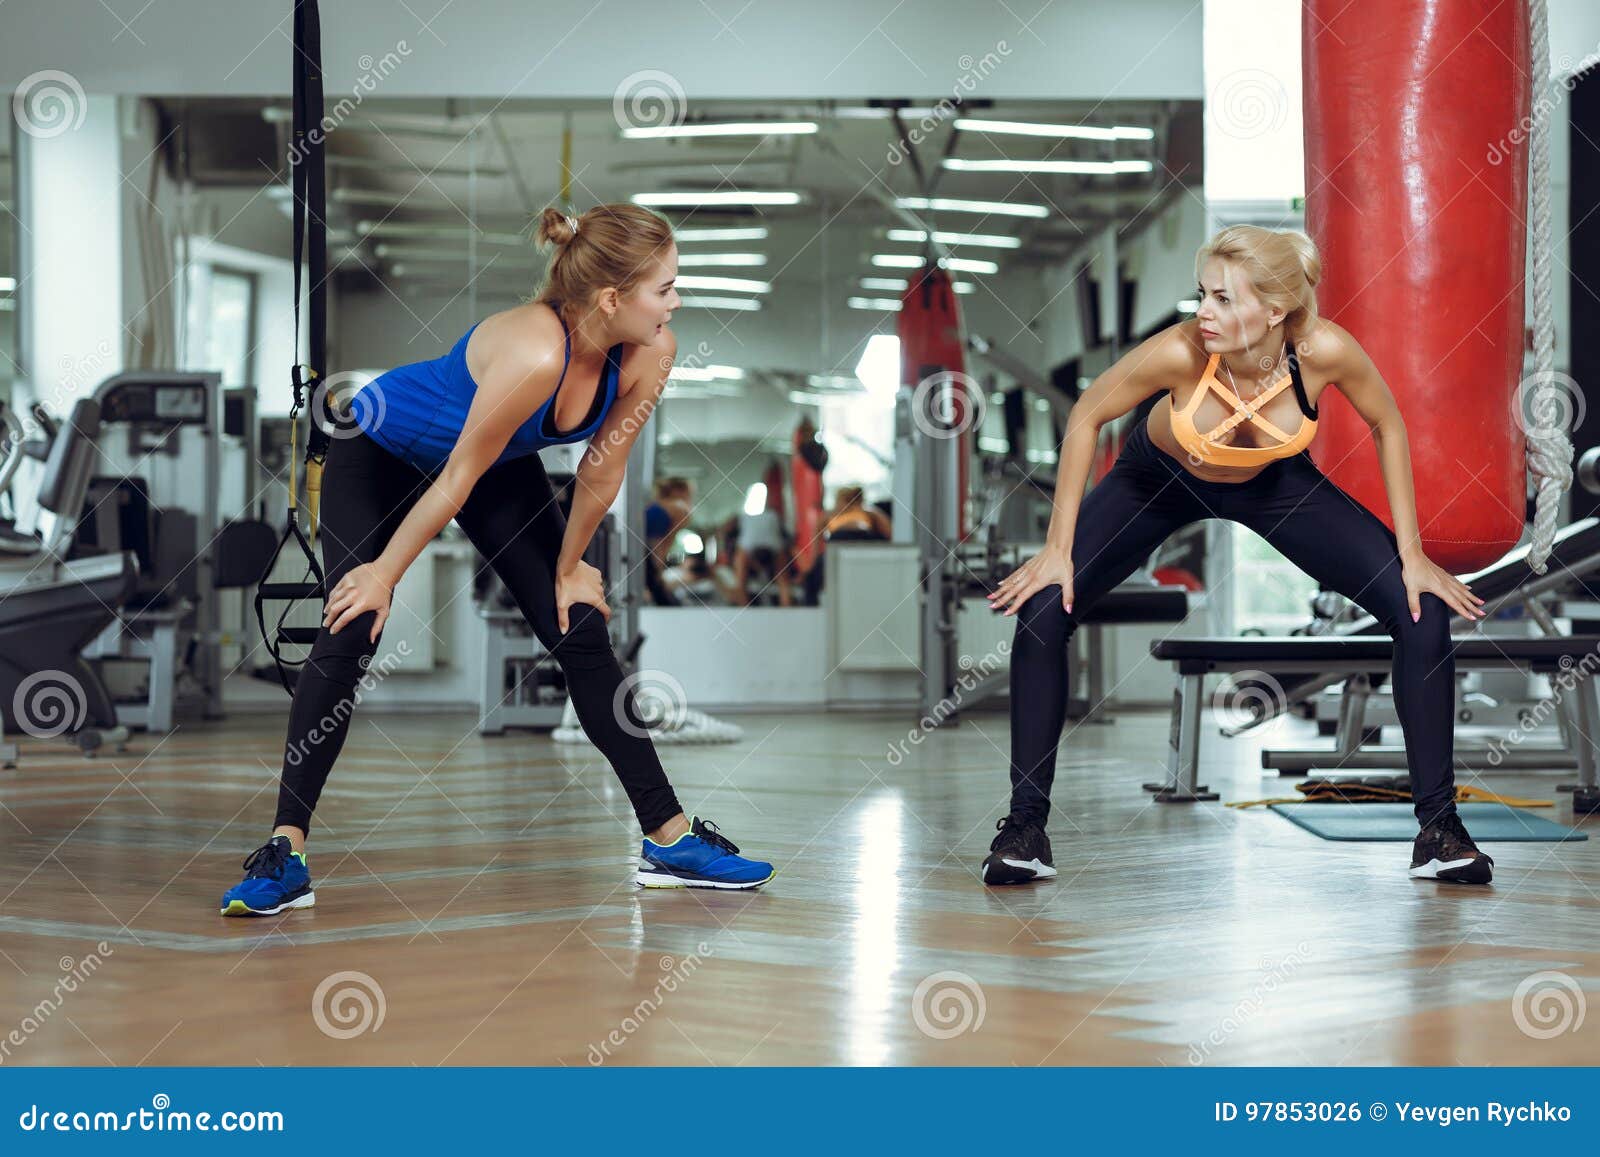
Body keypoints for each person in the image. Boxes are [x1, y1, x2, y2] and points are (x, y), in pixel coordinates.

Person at [221, 203, 774, 915]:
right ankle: (284, 852)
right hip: (381, 447)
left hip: (493, 464)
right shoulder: (534, 354)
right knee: (352, 622)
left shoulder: (652, 351)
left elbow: (602, 467)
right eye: (665, 288)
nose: (677, 301)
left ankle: (669, 839)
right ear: (612, 299)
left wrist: (569, 568)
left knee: (578, 625)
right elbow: (453, 478)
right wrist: (383, 575)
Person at [983, 225, 1491, 888]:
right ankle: (1025, 829)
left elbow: (1387, 423)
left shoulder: (1323, 351)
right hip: (1156, 481)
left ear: (1275, 311)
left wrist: (1413, 554)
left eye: (1223, 299)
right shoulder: (1180, 351)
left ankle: (1440, 832)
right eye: (1202, 294)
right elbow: (1087, 413)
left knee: (1421, 609)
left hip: (1274, 484)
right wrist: (1057, 549)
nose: (1203, 311)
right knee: (1044, 606)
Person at [644, 476, 692, 606]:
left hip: (641, 549)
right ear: (678, 491)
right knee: (663, 598)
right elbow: (664, 542)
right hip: (648, 553)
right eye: (688, 492)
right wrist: (658, 571)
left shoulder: (655, 504)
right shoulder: (680, 509)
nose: (690, 496)